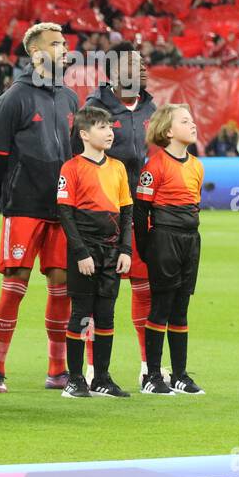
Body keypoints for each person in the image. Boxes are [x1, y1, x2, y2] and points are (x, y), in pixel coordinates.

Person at [0, 22, 80, 393]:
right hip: (23, 207)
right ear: (37, 53)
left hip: (61, 210)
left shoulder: (70, 98)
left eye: (66, 42)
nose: (65, 49)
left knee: (61, 288)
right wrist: (7, 196)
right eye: (57, 44)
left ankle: (57, 370)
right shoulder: (14, 98)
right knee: (14, 286)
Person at [81, 41, 156, 379]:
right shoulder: (95, 109)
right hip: (104, 214)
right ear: (114, 72)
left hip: (144, 211)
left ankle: (147, 366)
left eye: (141, 64)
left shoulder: (152, 110)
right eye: (131, 65)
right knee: (98, 294)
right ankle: (94, 366)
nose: (140, 70)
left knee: (143, 286)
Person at [56, 109, 134, 399]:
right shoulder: (72, 168)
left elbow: (127, 211)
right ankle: (75, 379)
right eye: (102, 127)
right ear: (85, 134)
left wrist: (125, 249)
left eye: (111, 127)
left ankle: (101, 377)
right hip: (86, 250)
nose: (110, 132)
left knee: (106, 314)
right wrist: (80, 252)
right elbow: (65, 213)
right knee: (81, 314)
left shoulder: (118, 168)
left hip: (112, 251)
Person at [135, 104, 206, 396]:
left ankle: (179, 375)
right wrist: (146, 249)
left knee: (181, 307)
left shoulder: (197, 166)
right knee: (161, 306)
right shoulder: (155, 165)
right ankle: (152, 375)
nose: (193, 125)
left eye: (192, 120)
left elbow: (194, 204)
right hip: (164, 238)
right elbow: (141, 211)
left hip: (190, 239)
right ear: (168, 131)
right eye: (185, 121)